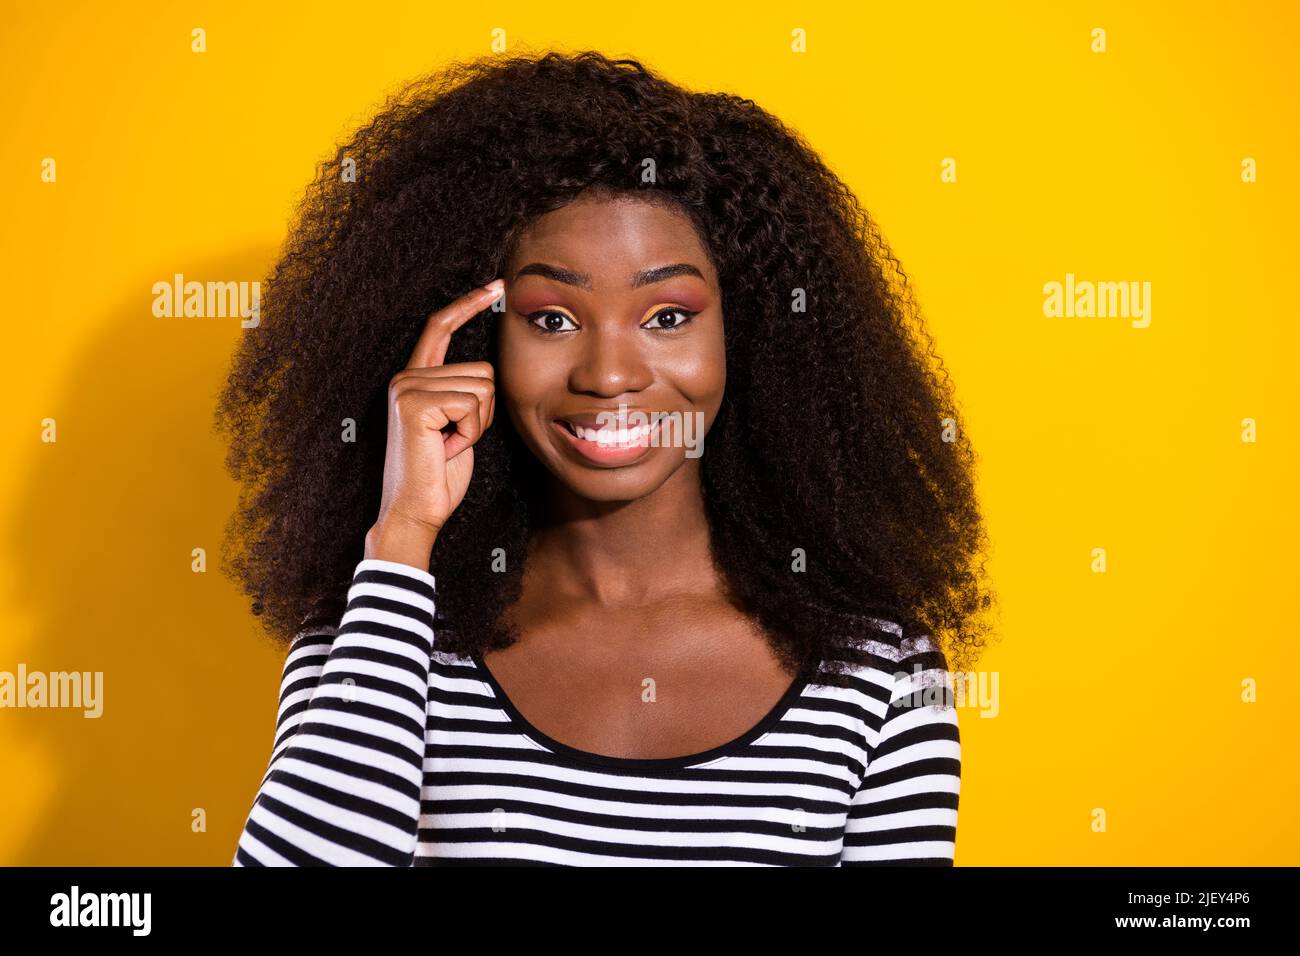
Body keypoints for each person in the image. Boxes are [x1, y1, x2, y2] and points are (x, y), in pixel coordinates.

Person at [216, 49, 994, 866]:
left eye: (666, 316)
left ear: (749, 332)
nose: (609, 374)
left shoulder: (880, 676)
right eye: (553, 318)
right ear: (477, 339)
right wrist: (404, 533)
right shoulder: (380, 630)